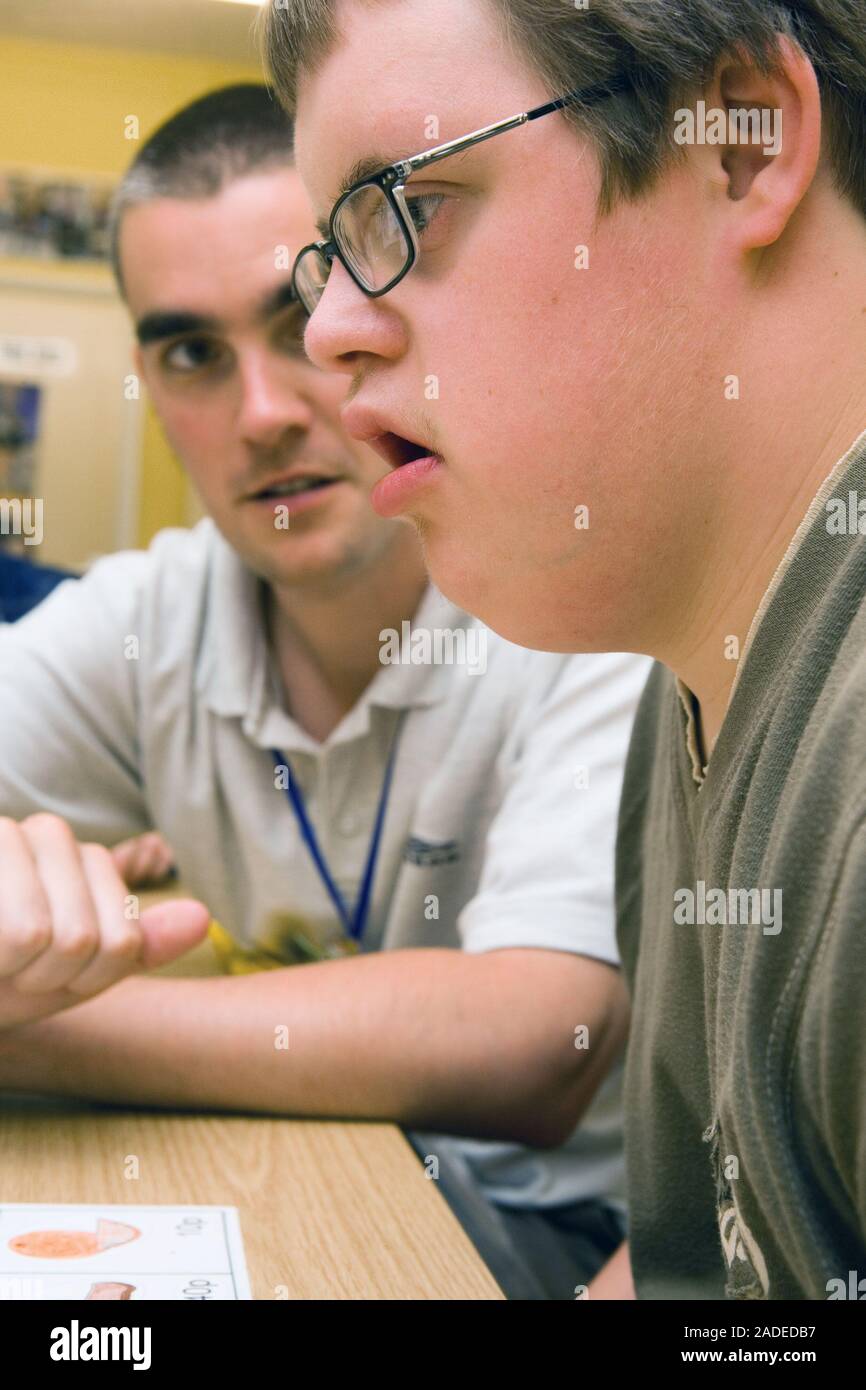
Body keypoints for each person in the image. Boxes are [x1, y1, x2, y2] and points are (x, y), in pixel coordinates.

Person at [0, 85, 650, 1300]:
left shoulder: (575, 591)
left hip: (556, 1231)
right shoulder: (150, 616)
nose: (259, 413)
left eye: (300, 313)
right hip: (301, 1159)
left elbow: (531, 1041)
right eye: (191, 354)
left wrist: (32, 1028)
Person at [263, 0, 866, 1299]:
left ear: (742, 145)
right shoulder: (697, 679)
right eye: (335, 251)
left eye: (404, 205)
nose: (323, 338)